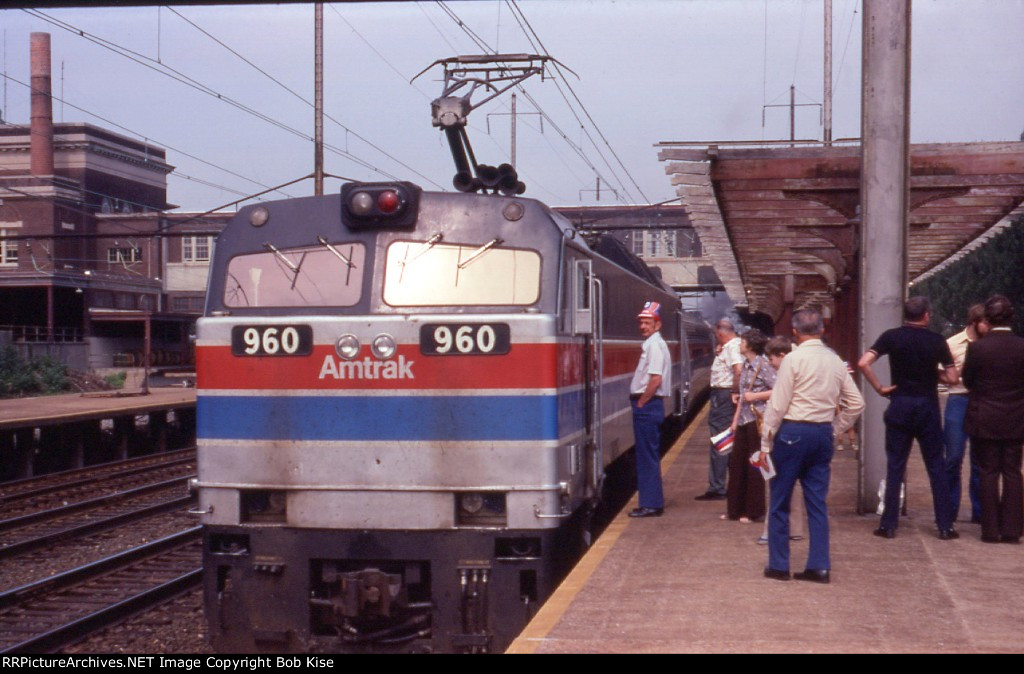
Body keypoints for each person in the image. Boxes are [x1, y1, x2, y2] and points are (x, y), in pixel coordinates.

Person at [761, 308, 863, 583]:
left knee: (780, 500)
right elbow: (856, 403)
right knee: (817, 503)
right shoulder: (835, 361)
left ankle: (779, 565)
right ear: (822, 330)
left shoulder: (792, 360)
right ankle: (819, 566)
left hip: (791, 434)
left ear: (795, 332)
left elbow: (778, 405)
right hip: (822, 434)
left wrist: (765, 442)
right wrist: (835, 428)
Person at [858, 296, 960, 540]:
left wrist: (880, 388)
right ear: (926, 315)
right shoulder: (937, 341)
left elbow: (863, 363)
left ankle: (888, 525)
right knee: (936, 466)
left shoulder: (891, 337)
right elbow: (952, 378)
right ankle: (945, 526)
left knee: (895, 466)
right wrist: (932, 372)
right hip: (927, 407)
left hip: (900, 404)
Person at [962, 294, 1024, 543]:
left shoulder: (977, 348)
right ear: (1012, 317)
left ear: (987, 318)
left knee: (987, 472)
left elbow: (968, 381)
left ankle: (989, 530)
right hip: (1016, 417)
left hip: (984, 417)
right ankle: (1011, 530)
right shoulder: (1022, 347)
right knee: (1012, 471)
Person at [724, 328, 774, 523]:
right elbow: (742, 396)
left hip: (757, 421)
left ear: (751, 345)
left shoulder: (764, 366)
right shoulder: (745, 365)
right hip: (744, 419)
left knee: (755, 465)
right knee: (737, 464)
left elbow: (778, 390)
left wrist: (756, 396)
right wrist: (734, 421)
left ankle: (755, 511)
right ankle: (735, 510)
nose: (740, 344)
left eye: (743, 341)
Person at [628, 300, 672, 518]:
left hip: (648, 405)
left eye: (647, 322)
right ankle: (650, 501)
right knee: (647, 455)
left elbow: (655, 379)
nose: (643, 326)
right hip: (650, 405)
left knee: (647, 457)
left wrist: (642, 401)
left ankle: (651, 504)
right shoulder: (654, 344)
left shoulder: (655, 346)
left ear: (658, 324)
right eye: (641, 322)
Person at [943, 303, 986, 524]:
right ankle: (949, 509)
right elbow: (937, 371)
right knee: (953, 457)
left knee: (979, 458)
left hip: (981, 400)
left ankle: (979, 511)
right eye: (986, 323)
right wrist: (953, 377)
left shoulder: (989, 344)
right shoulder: (952, 344)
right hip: (958, 398)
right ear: (974, 322)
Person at [696, 317, 742, 501]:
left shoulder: (732, 348)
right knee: (727, 440)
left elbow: (738, 370)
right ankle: (730, 485)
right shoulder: (732, 346)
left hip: (723, 396)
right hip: (723, 396)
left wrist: (735, 391)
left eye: (716, 335)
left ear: (721, 334)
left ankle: (717, 488)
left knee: (719, 440)